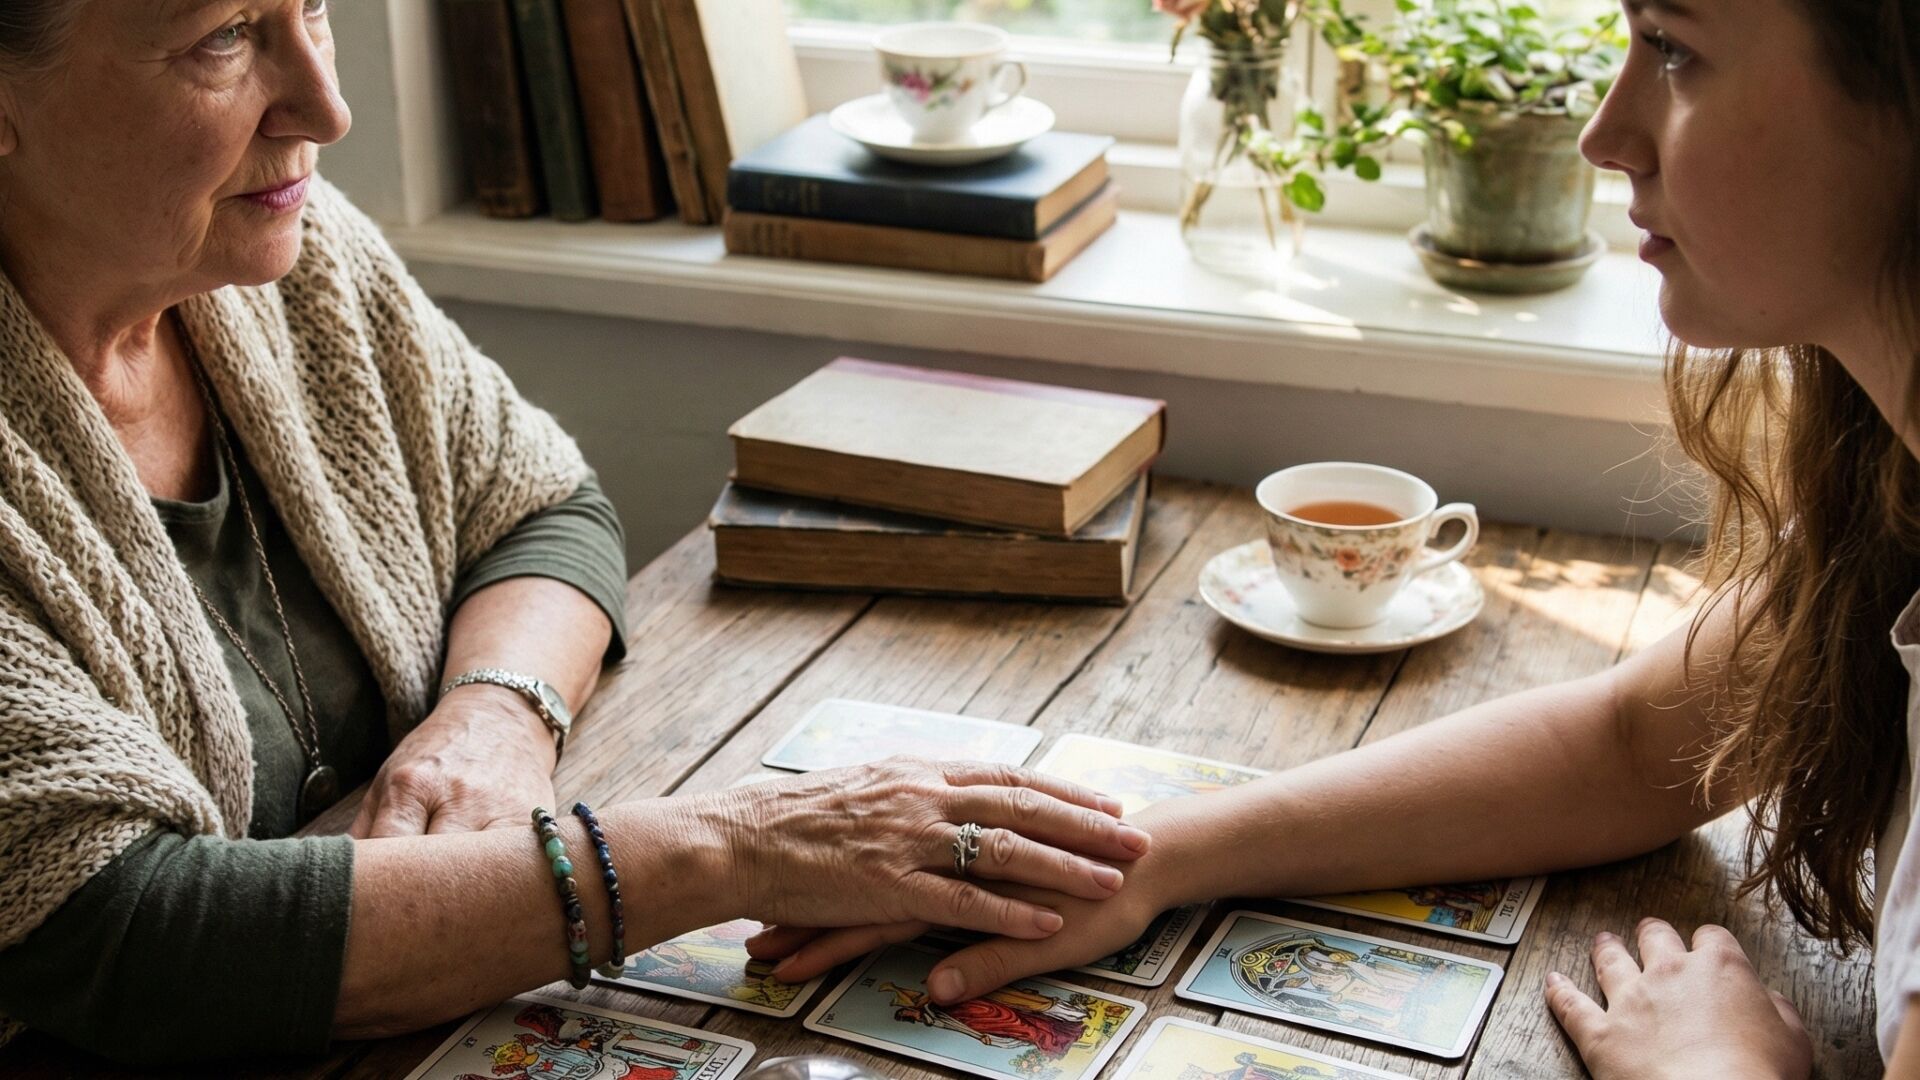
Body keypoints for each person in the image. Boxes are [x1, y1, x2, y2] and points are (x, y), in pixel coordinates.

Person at [750, 2, 1920, 1076]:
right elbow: (1630, 744)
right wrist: (1152, 857)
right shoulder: (1891, 486)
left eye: (1673, 47)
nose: (1605, 135)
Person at [0, 0, 1148, 1065]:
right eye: (224, 37)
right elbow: (122, 932)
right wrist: (734, 849)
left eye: (312, 8)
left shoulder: (284, 251)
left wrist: (497, 713)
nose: (326, 110)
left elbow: (542, 508)